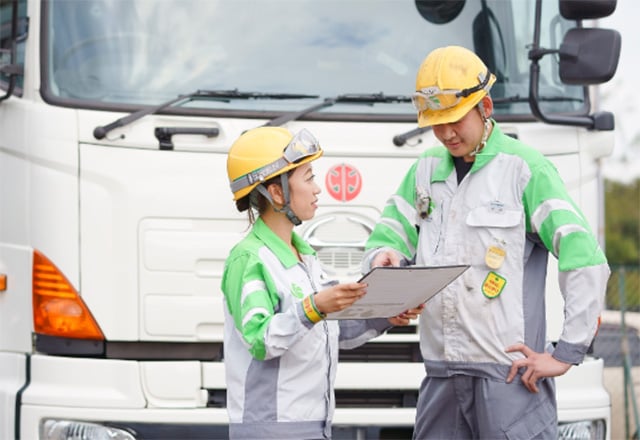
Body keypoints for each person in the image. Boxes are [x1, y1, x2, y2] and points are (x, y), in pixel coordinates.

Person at [361, 45, 610, 439]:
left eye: (455, 120)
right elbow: (388, 235)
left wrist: (566, 353)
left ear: (486, 107)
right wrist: (385, 258)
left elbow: (585, 257)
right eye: (436, 123)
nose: (445, 133)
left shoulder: (524, 169)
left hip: (511, 378)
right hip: (441, 375)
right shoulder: (424, 171)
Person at [221, 126, 423, 440]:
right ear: (277, 193)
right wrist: (314, 307)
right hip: (271, 431)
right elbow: (260, 339)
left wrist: (386, 315)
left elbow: (331, 330)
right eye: (309, 177)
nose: (317, 189)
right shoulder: (249, 259)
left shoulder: (304, 257)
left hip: (314, 427)